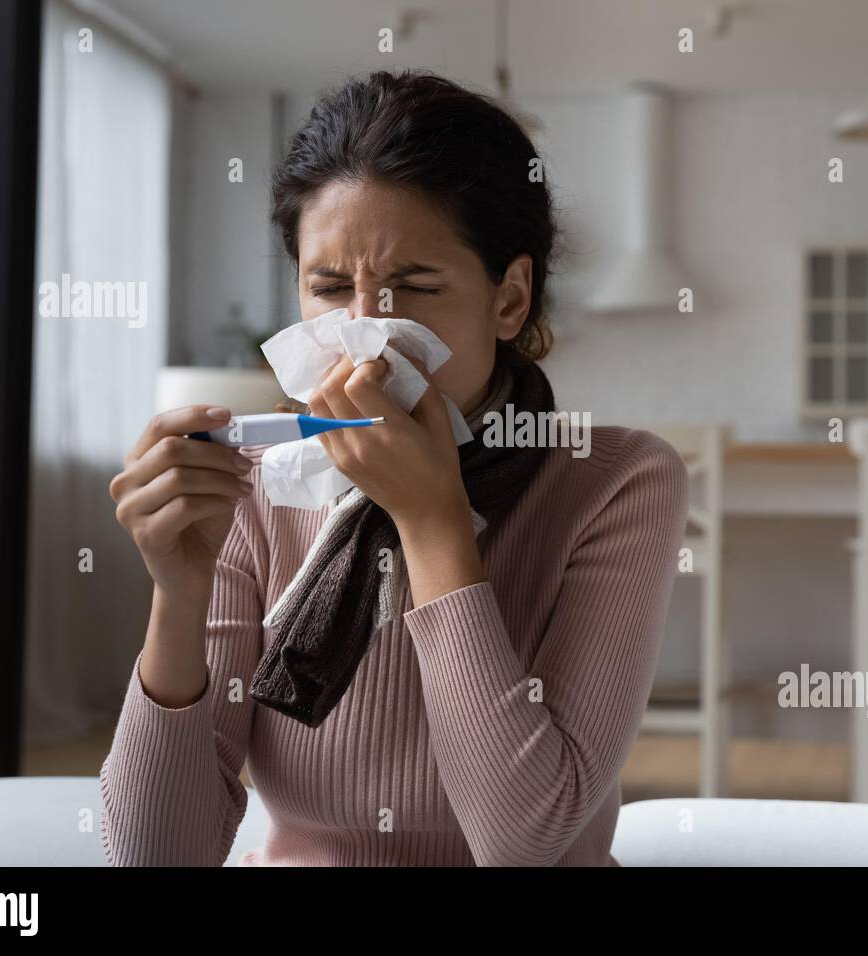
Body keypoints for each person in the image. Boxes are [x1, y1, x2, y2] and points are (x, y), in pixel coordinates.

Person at [101, 69, 688, 866]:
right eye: (330, 287)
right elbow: (150, 858)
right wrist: (177, 592)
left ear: (510, 300)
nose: (363, 336)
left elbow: (526, 843)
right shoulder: (261, 483)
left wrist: (431, 517)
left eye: (412, 287)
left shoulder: (615, 481)